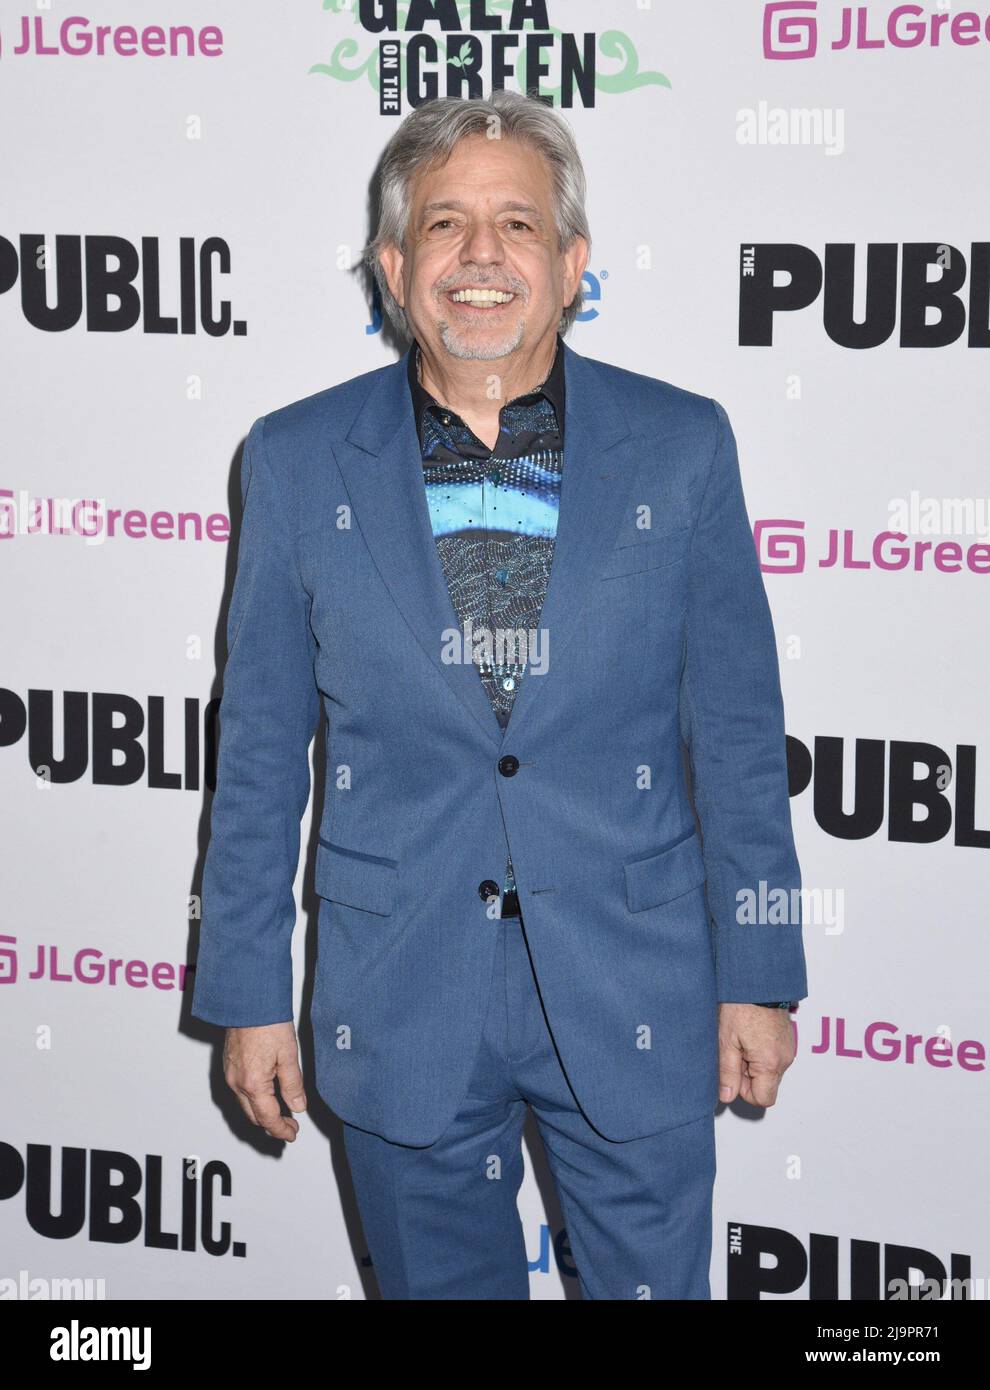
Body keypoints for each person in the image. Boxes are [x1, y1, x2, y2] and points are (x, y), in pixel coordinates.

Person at [191, 88, 808, 1301]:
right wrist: (249, 995)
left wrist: (761, 967)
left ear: (573, 263)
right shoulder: (296, 455)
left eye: (518, 225)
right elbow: (260, 747)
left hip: (637, 977)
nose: (481, 257)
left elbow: (736, 735)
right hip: (399, 981)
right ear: (389, 265)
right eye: (443, 226)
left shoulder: (683, 446)